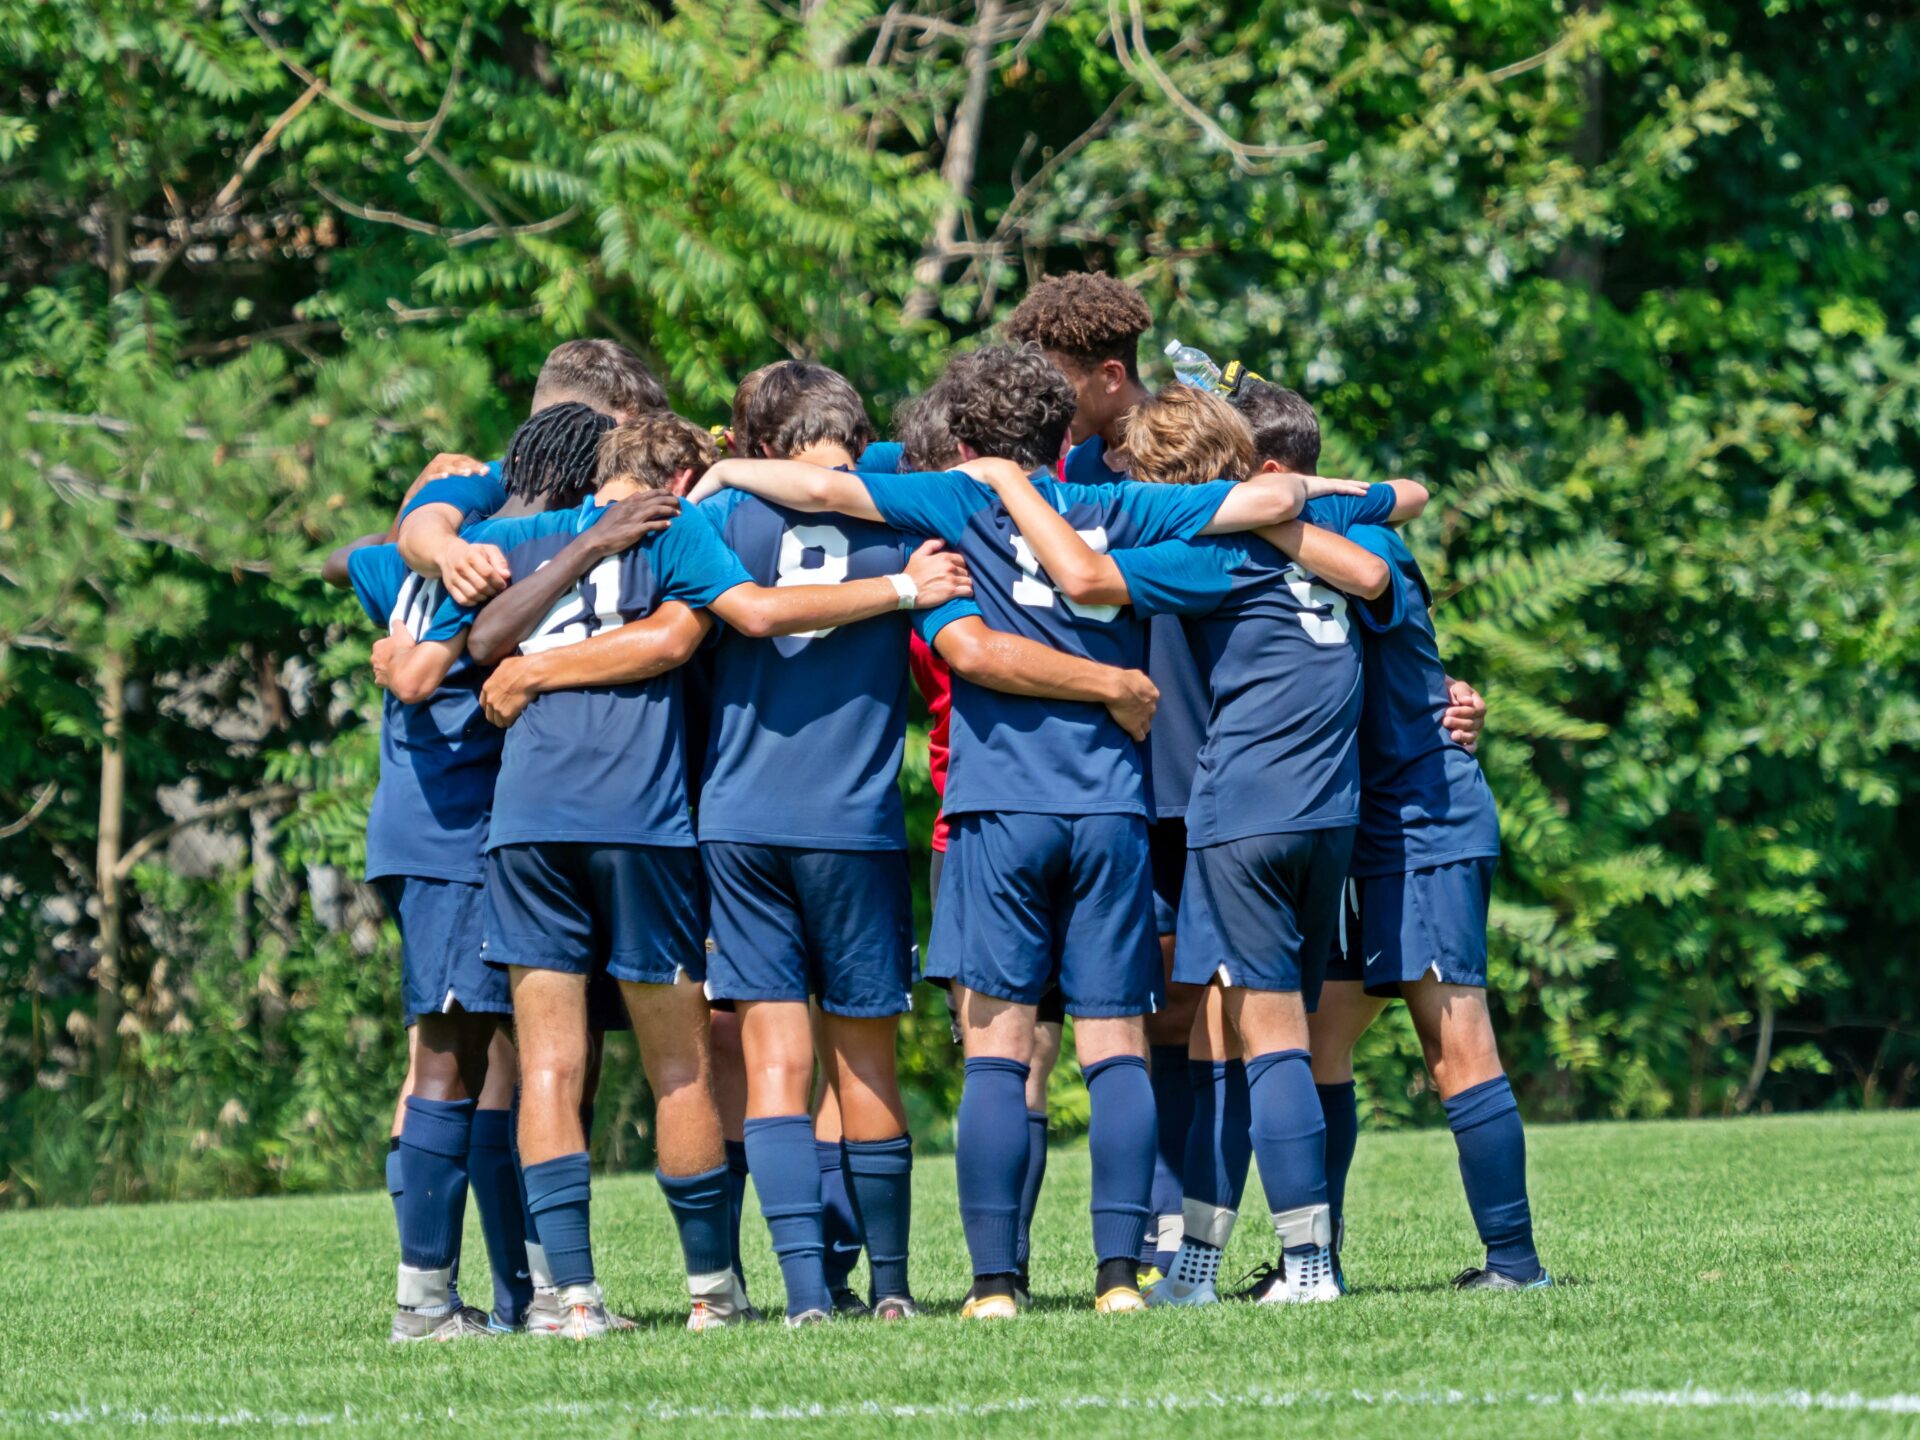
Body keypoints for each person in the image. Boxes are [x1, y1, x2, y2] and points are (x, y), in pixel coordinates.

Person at [688, 343, 1330, 1317]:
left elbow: (841, 495)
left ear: (974, 440)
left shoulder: (956, 501)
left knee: (999, 1045)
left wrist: (731, 466)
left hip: (995, 807)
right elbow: (1267, 503)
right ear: (1068, 435)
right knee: (1112, 1040)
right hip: (1109, 805)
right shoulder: (1117, 506)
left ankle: (995, 1286)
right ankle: (1120, 1278)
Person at [428, 410, 979, 1338]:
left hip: (524, 824)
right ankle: (712, 1293)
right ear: (675, 479)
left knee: (551, 1066)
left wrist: (530, 664)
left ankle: (574, 1301)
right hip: (643, 822)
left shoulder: (501, 541)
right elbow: (693, 634)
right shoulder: (679, 526)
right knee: (681, 1064)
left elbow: (474, 644)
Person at [968, 382, 1417, 1305]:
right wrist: (1288, 501)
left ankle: (1305, 1268)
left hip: (1244, 812)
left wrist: (1013, 489)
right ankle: (1227, 1267)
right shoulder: (1332, 543)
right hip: (1330, 814)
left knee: (1271, 1040)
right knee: (1264, 1029)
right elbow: (1400, 507)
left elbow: (1085, 580)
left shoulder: (1208, 554)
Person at [316, 404, 670, 1341]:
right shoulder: (511, 557)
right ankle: (426, 1305)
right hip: (456, 840)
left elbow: (343, 561)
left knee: (505, 1059)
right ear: (575, 481)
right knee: (451, 1057)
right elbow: (428, 672)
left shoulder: (434, 547)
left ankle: (537, 1295)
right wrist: (411, 646)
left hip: (431, 835)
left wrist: (423, 515)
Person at [1219, 382, 1550, 1293]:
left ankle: (1515, 1266)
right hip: (1350, 826)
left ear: (1276, 477)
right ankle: (1311, 1262)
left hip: (1422, 820)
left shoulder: (1360, 545)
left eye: (1227, 473)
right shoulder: (1304, 538)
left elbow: (1375, 578)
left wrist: (1245, 516)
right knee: (1320, 1037)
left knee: (1457, 1044)